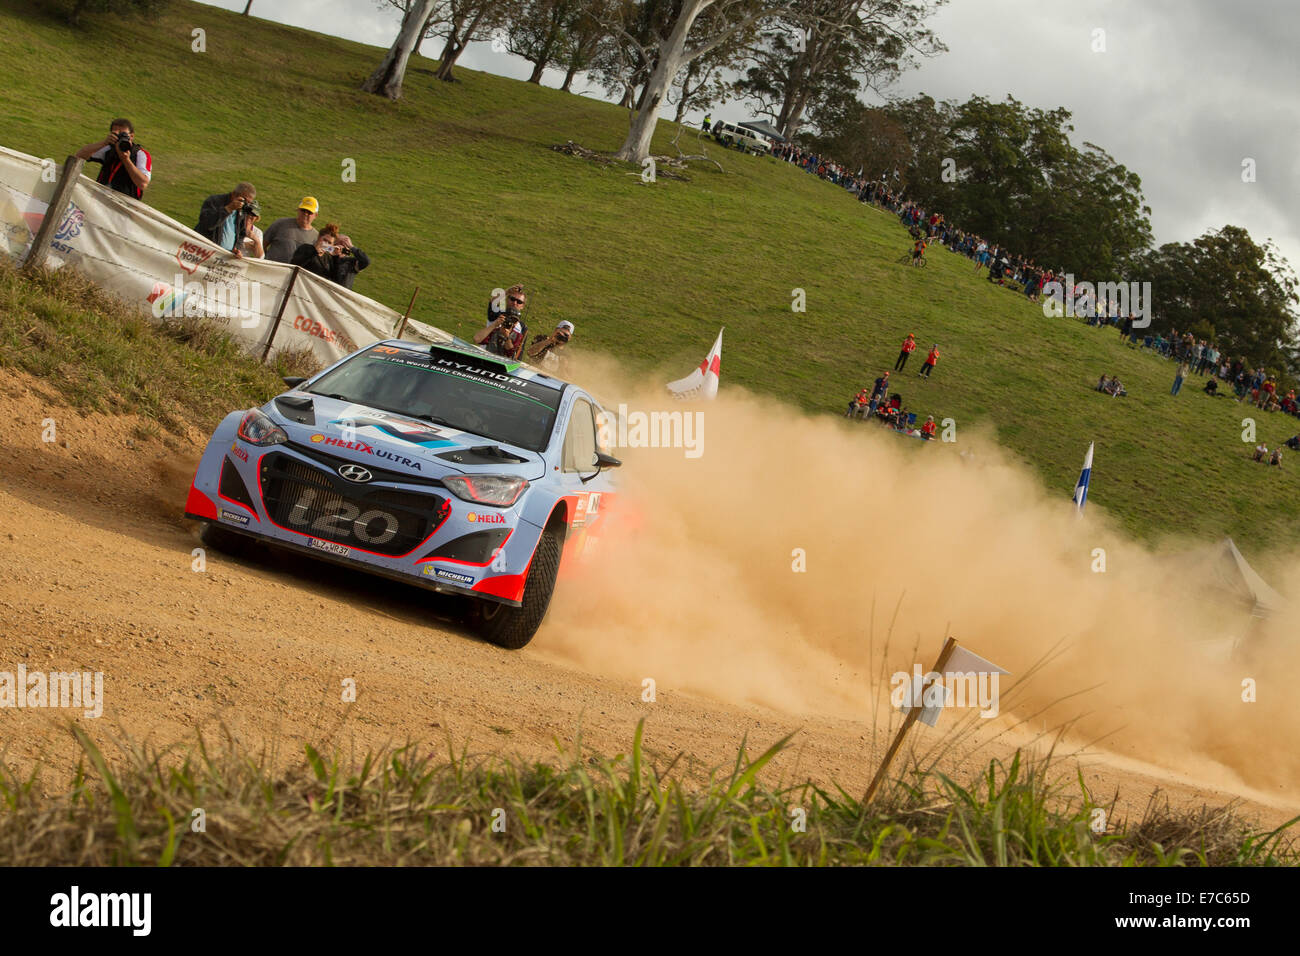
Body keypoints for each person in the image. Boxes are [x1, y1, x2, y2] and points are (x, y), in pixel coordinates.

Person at [76, 119, 152, 200]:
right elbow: (79, 156)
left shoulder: (141, 154)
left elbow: (143, 184)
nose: (119, 138)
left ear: (132, 136)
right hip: (99, 200)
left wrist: (126, 160)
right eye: (116, 134)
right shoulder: (108, 149)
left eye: (123, 134)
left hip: (125, 205)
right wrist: (104, 143)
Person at [194, 182, 257, 255]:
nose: (245, 204)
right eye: (244, 200)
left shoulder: (242, 210)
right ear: (234, 194)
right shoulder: (214, 201)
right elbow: (207, 224)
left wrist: (236, 248)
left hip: (224, 257)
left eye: (249, 203)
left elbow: (241, 233)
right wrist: (228, 209)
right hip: (205, 251)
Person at [476, 284, 529, 359]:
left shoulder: (523, 327)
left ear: (523, 306)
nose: (515, 303)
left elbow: (518, 354)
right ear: (507, 299)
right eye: (512, 299)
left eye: (519, 302)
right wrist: (507, 292)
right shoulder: (497, 314)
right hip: (484, 355)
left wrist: (507, 336)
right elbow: (493, 303)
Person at [263, 197, 320, 263]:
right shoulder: (281, 223)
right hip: (269, 269)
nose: (305, 214)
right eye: (303, 210)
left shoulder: (316, 238)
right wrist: (264, 261)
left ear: (316, 215)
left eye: (309, 212)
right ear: (298, 210)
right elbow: (262, 244)